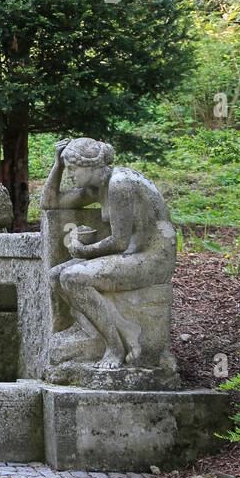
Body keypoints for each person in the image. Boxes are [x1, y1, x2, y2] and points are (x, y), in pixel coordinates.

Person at [40, 137, 176, 368]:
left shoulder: (120, 184)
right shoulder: (96, 188)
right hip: (131, 254)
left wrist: (84, 251)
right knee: (55, 275)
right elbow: (50, 202)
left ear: (90, 166)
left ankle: (115, 348)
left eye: (73, 168)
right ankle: (104, 331)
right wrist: (57, 165)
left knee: (72, 278)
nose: (71, 174)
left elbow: (120, 242)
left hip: (152, 258)